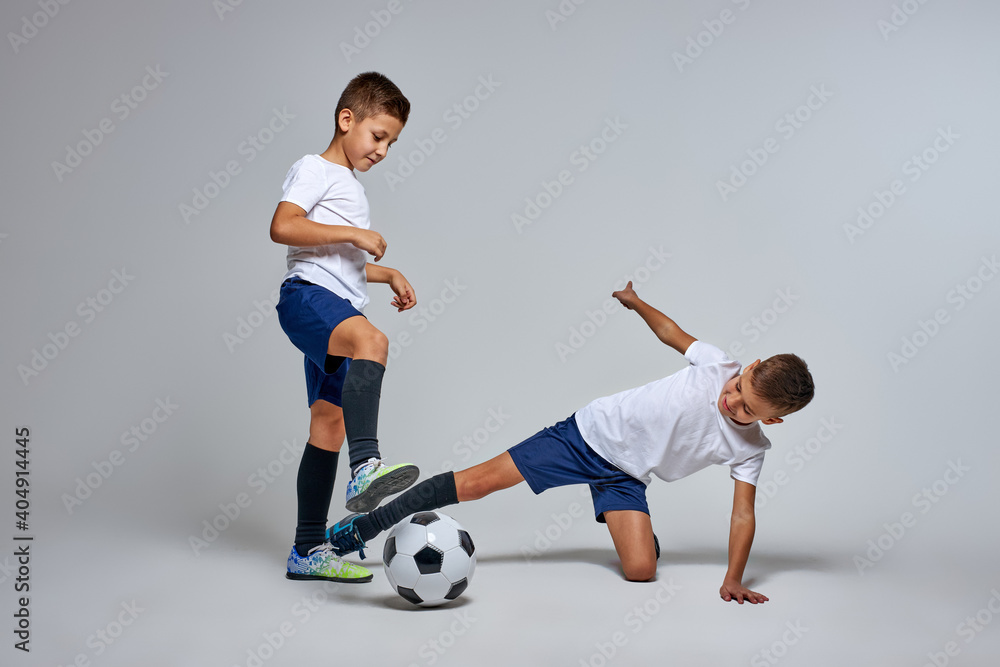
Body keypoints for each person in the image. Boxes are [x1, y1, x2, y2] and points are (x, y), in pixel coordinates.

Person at [328, 281, 815, 602]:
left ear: (771, 422)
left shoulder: (749, 451)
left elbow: (743, 514)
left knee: (642, 570)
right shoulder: (718, 365)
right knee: (478, 483)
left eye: (749, 410)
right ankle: (368, 526)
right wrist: (637, 301)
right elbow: (672, 334)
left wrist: (733, 578)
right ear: (747, 367)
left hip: (626, 474)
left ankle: (637, 531)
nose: (732, 403)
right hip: (586, 435)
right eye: (738, 391)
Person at [270, 72, 420, 583]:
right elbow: (284, 226)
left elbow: (339, 261)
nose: (383, 150)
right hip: (308, 300)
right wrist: (356, 232)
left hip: (330, 299)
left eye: (391, 143)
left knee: (327, 426)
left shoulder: (349, 186)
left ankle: (307, 550)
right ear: (346, 119)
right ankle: (367, 466)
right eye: (378, 136)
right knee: (371, 340)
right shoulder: (315, 169)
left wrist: (387, 274)